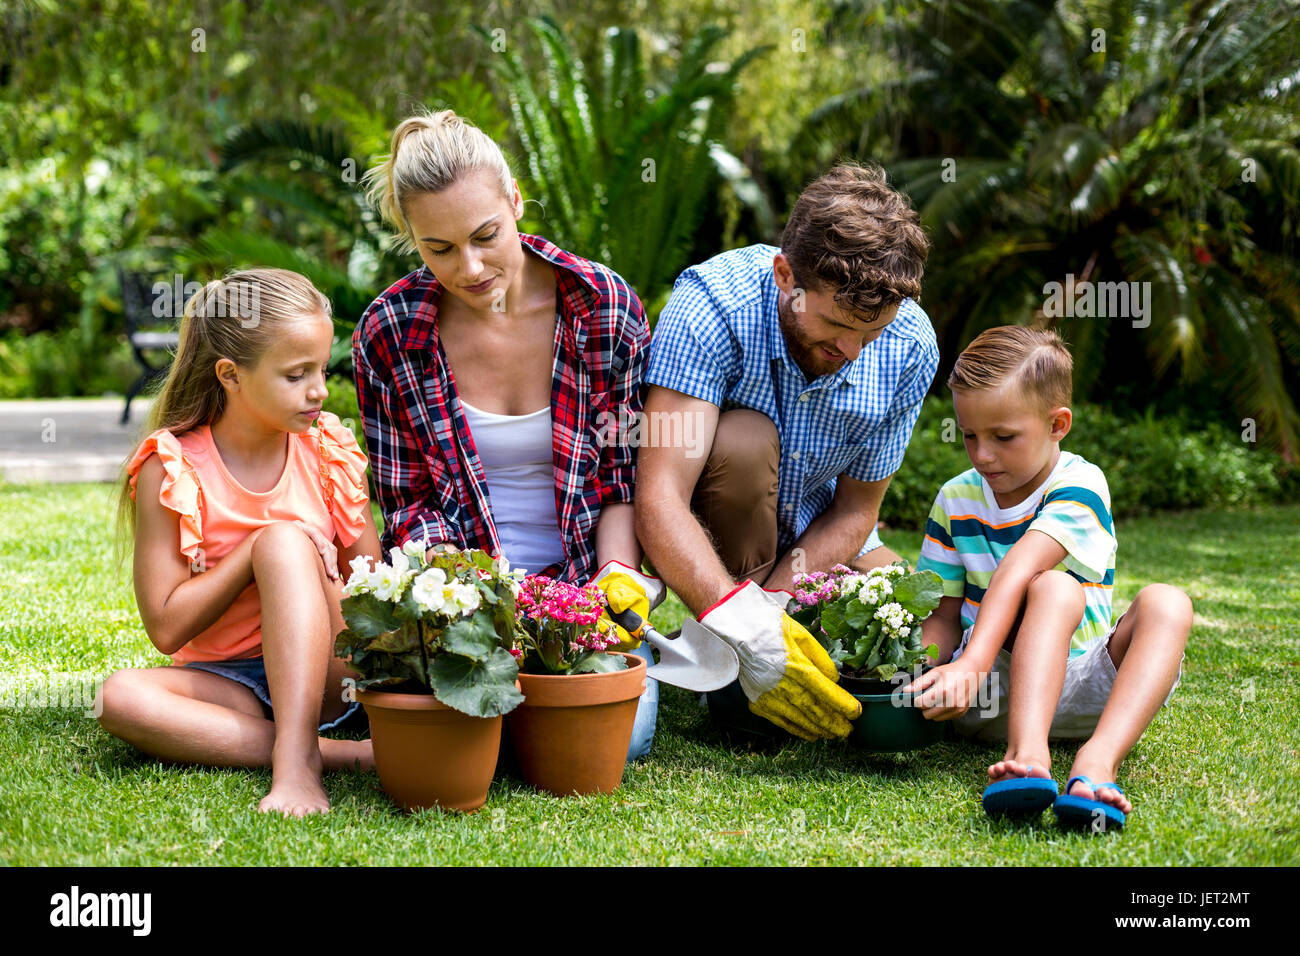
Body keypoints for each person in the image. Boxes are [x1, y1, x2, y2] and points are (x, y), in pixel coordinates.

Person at [353, 109, 662, 759]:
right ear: (413, 239)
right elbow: (408, 508)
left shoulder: (603, 306)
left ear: (516, 199)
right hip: (464, 603)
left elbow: (621, 480)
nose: (469, 267)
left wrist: (615, 576)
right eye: (439, 248)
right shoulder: (388, 334)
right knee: (482, 733)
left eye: (486, 235)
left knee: (615, 745)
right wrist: (475, 608)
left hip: (581, 600)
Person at [635, 162, 938, 741]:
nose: (851, 350)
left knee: (930, 623)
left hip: (817, 539)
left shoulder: (910, 345)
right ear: (784, 276)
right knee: (744, 439)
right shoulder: (711, 306)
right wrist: (740, 620)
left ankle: (740, 660)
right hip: (718, 524)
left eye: (868, 334)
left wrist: (771, 614)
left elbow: (855, 511)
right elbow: (660, 497)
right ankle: (726, 666)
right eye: (833, 324)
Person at [100, 268, 383, 817]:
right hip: (235, 683)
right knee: (118, 698)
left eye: (322, 369)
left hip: (333, 676)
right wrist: (251, 554)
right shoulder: (174, 467)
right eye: (296, 374)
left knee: (282, 543)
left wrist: (297, 556)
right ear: (230, 375)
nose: (320, 390)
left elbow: (375, 596)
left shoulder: (328, 449)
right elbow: (166, 627)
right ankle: (345, 757)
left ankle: (298, 765)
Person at [905, 326, 1192, 831]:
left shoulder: (1081, 484)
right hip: (990, 691)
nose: (982, 455)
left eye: (1003, 437)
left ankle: (1096, 764)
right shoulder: (955, 499)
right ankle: (1028, 759)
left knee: (1163, 601)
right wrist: (917, 677)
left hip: (1081, 685)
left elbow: (1019, 567)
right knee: (1056, 587)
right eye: (969, 435)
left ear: (1058, 424)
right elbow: (944, 614)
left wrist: (971, 662)